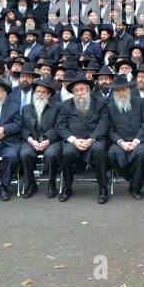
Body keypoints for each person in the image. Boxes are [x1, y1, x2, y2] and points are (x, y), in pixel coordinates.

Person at [56, 73, 108, 203]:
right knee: (67, 153)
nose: (79, 93)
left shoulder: (100, 104)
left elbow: (104, 124)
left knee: (99, 150)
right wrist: (74, 140)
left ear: (88, 91)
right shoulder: (66, 105)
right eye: (76, 91)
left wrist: (91, 139)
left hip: (94, 139)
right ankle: (67, 187)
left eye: (82, 90)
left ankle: (103, 189)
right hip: (74, 141)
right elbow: (61, 127)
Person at [17, 79, 61, 199]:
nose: (39, 94)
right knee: (25, 154)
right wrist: (31, 140)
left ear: (49, 94)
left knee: (52, 154)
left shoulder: (57, 107)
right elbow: (23, 129)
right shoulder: (26, 108)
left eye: (43, 92)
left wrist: (48, 140)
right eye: (37, 91)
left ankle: (52, 184)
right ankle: (30, 184)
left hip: (51, 140)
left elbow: (59, 127)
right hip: (32, 140)